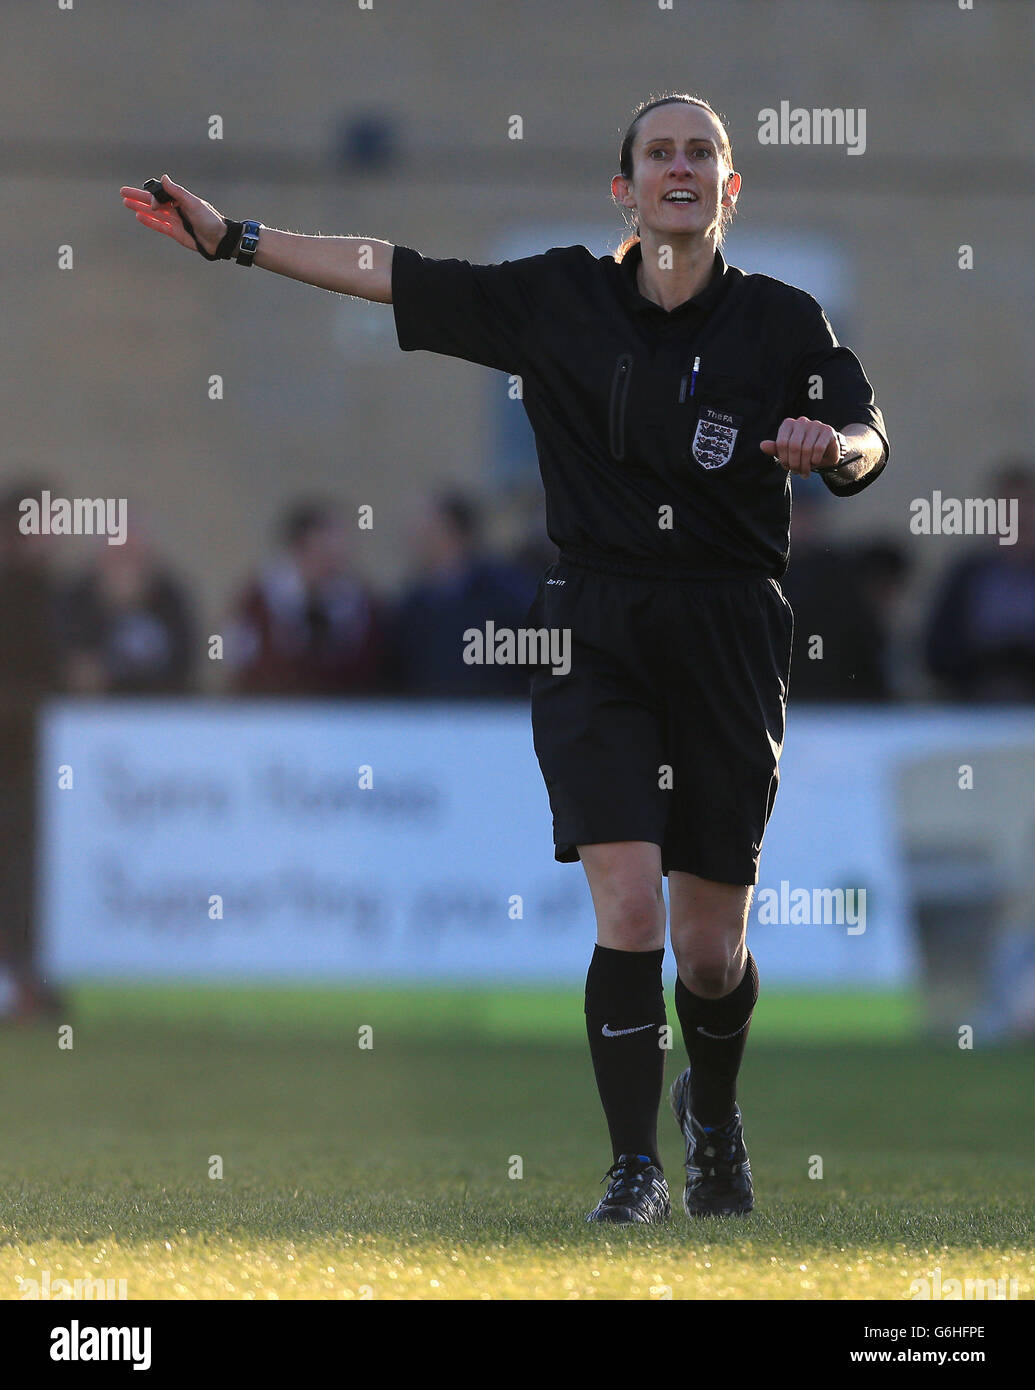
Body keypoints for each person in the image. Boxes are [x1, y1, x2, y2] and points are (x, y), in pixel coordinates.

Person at [119, 90, 889, 1223]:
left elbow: (866, 435)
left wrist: (838, 450)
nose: (679, 167)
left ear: (730, 190)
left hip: (729, 625)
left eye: (701, 154)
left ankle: (710, 1113)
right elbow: (392, 269)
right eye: (657, 152)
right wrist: (237, 238)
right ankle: (633, 1169)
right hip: (597, 622)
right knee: (627, 908)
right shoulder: (555, 298)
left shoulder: (785, 322)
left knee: (712, 950)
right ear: (622, 188)